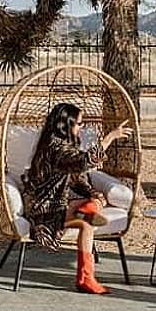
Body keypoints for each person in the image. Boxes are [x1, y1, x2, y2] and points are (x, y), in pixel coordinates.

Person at [21, 102, 132, 294]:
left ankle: (88, 209)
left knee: (97, 199)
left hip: (57, 203)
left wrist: (92, 194)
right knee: (87, 225)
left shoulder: (59, 143)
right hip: (45, 211)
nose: (82, 127)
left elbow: (76, 177)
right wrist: (110, 138)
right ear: (67, 124)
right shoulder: (56, 148)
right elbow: (84, 162)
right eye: (79, 123)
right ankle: (85, 279)